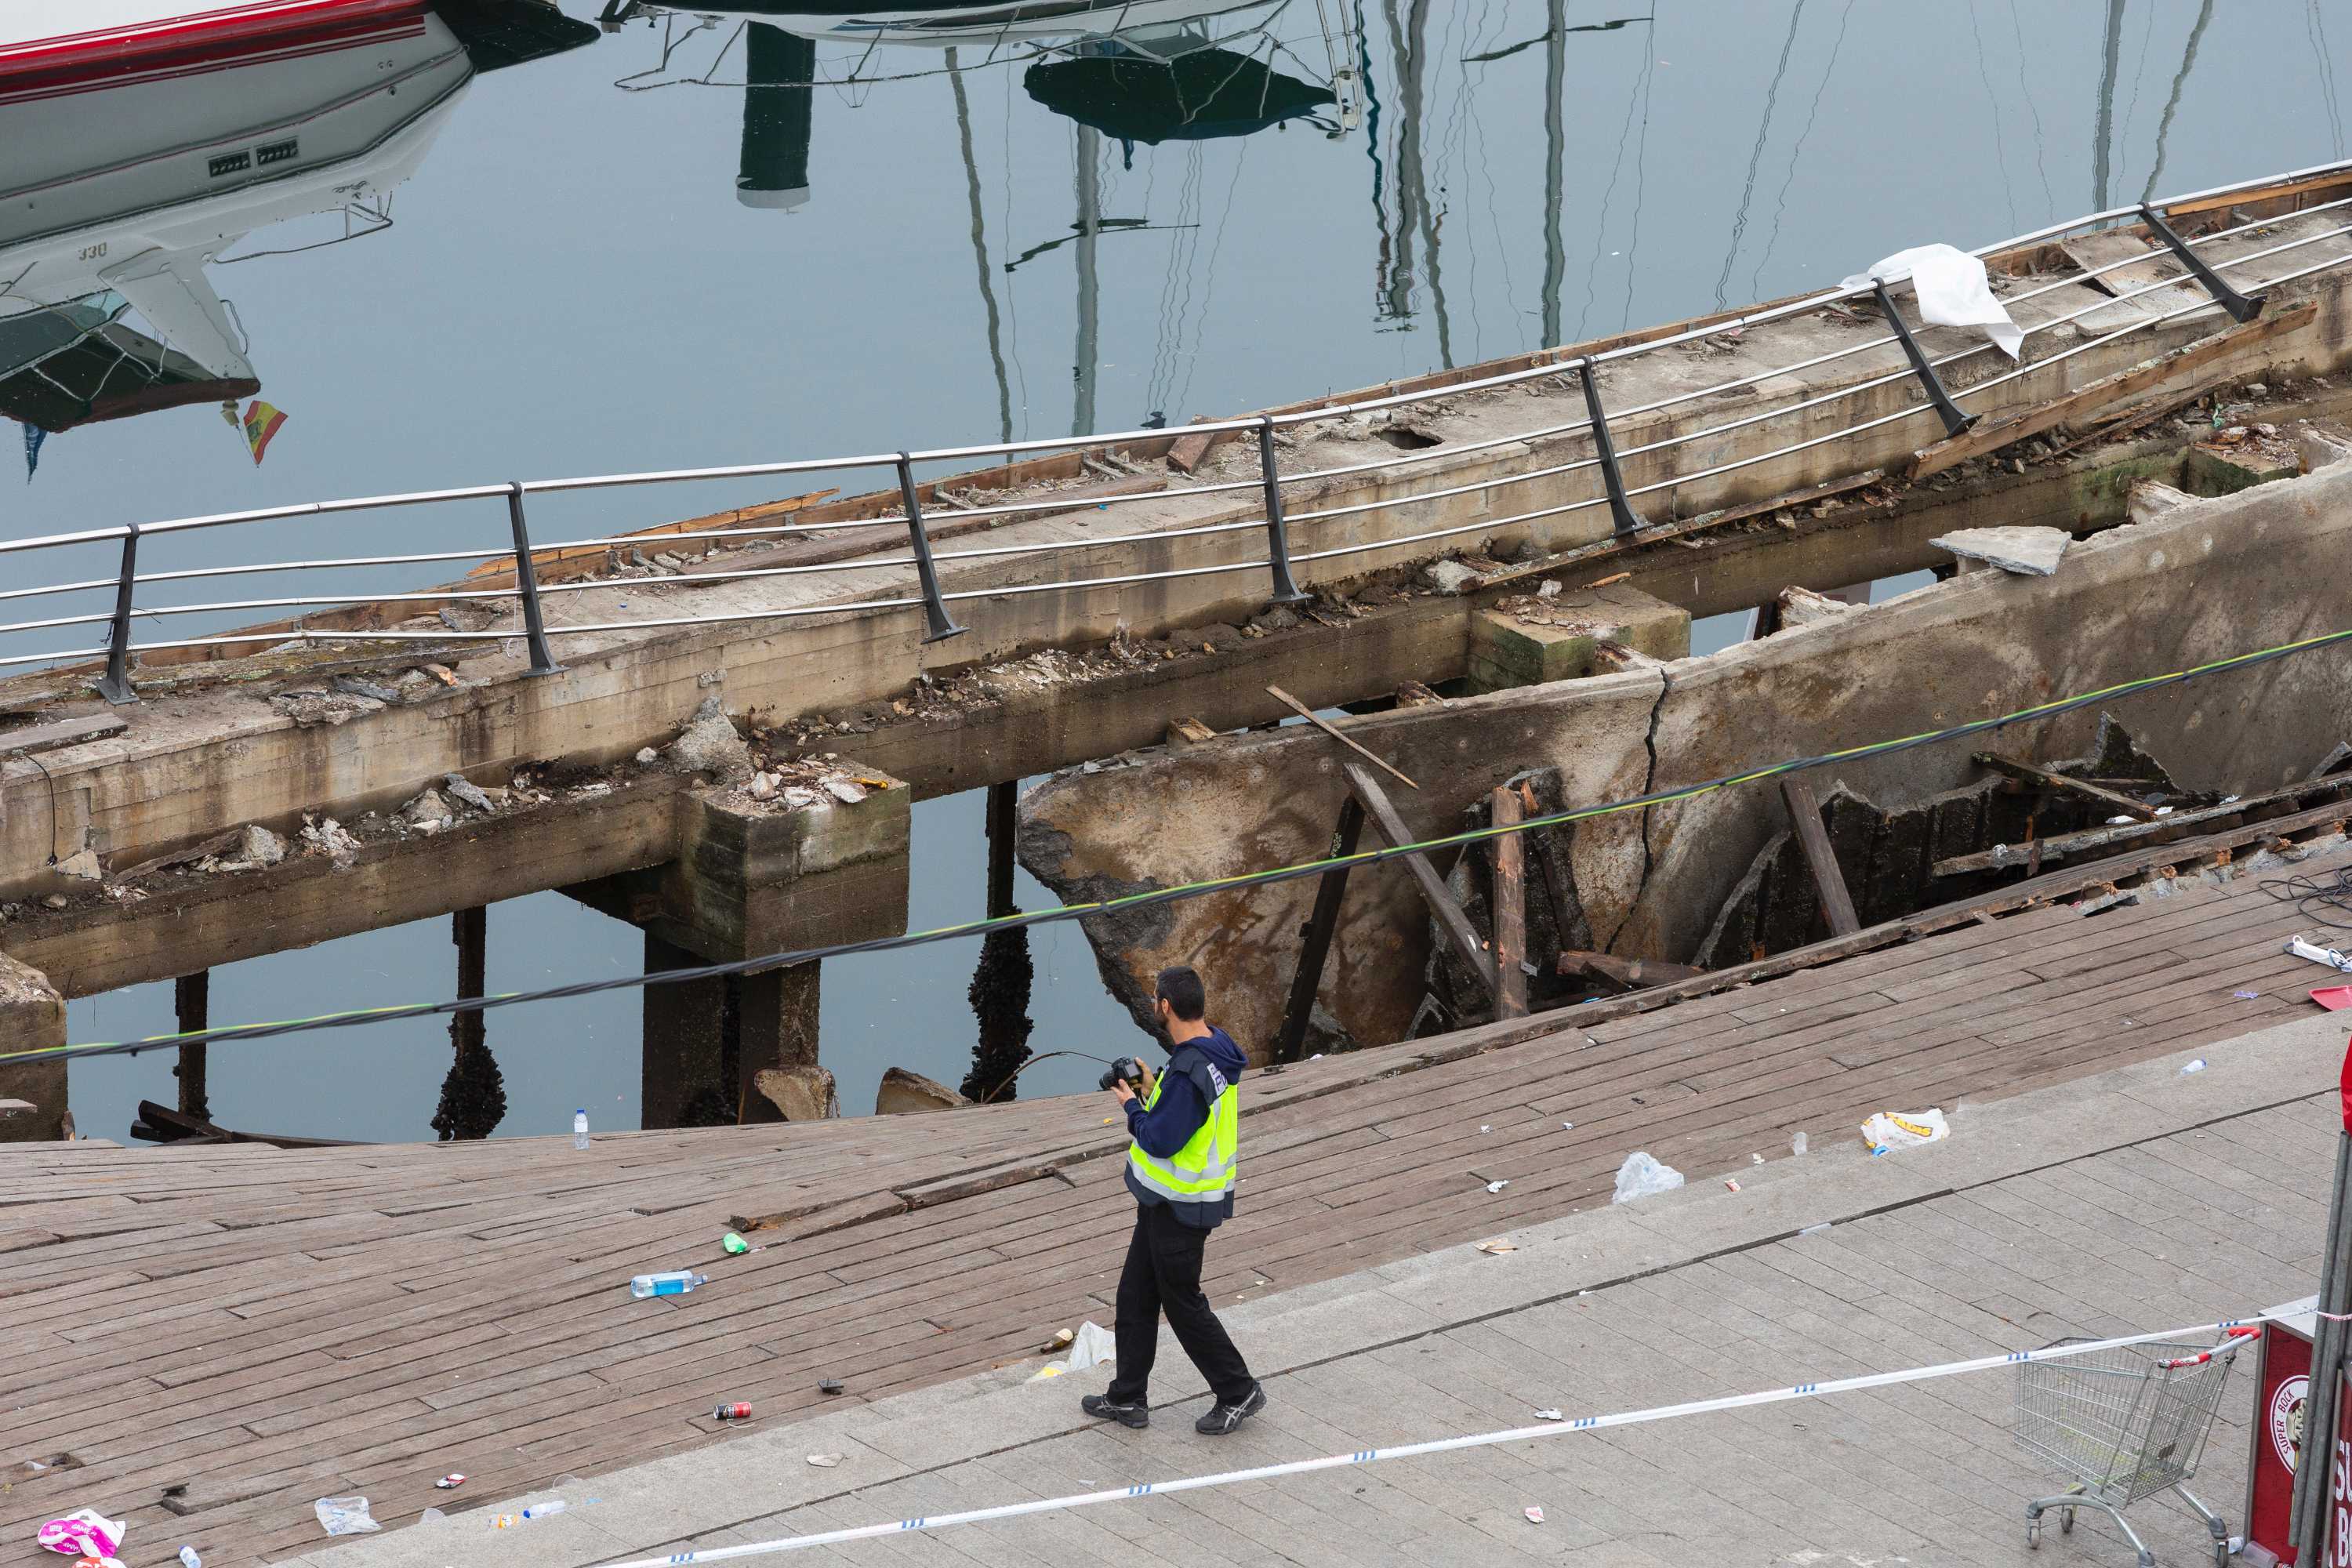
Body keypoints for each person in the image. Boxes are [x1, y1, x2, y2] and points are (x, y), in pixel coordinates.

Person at [1080, 964, 1267, 1436]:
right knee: (1135, 1295)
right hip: (1169, 1202)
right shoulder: (1214, 1048)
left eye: (1155, 999)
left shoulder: (1189, 1071)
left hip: (1183, 1208)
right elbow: (1187, 1116)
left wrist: (1130, 1106)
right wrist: (1150, 1087)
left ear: (1165, 1006)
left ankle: (1238, 1390)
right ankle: (1127, 1397)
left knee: (1183, 1304)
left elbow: (1161, 1139)